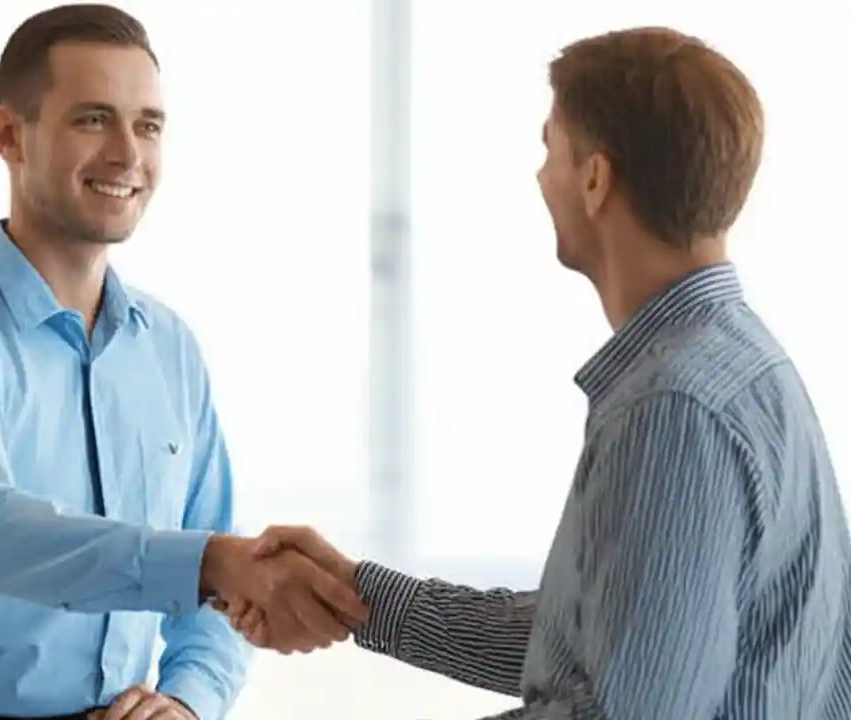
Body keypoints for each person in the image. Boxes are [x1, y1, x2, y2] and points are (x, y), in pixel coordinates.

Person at [219, 26, 851, 720]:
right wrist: (360, 597)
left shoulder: (673, 410)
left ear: (594, 178)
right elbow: (611, 637)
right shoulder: (739, 367)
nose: (539, 176)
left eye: (549, 150)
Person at [0, 5, 365, 720]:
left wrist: (188, 700)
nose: (128, 153)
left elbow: (221, 591)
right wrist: (210, 562)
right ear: (10, 136)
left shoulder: (169, 349)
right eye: (93, 119)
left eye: (148, 125)